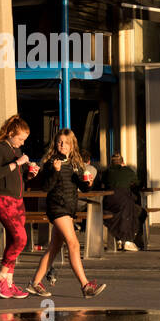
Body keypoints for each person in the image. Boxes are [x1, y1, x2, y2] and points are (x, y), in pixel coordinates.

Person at [27, 128, 106, 298]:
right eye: (59, 142)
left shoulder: (75, 163)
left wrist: (89, 183)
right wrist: (55, 171)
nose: (62, 145)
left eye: (66, 143)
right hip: (57, 206)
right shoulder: (50, 162)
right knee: (74, 244)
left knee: (54, 247)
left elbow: (82, 187)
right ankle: (85, 286)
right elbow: (46, 187)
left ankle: (34, 283)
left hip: (69, 208)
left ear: (72, 145)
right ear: (55, 144)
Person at [0, 115, 39, 298]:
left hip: (18, 200)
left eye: (24, 139)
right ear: (10, 133)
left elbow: (21, 175)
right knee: (21, 239)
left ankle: (8, 282)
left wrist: (30, 173)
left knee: (13, 241)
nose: (22, 142)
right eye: (20, 138)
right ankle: (0, 276)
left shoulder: (16, 150)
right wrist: (17, 163)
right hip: (4, 198)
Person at [100, 152, 144, 250]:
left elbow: (101, 184)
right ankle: (127, 240)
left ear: (111, 163)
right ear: (122, 162)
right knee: (135, 210)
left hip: (109, 203)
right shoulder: (128, 171)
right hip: (124, 202)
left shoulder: (106, 172)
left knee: (127, 209)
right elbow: (137, 184)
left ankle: (119, 239)